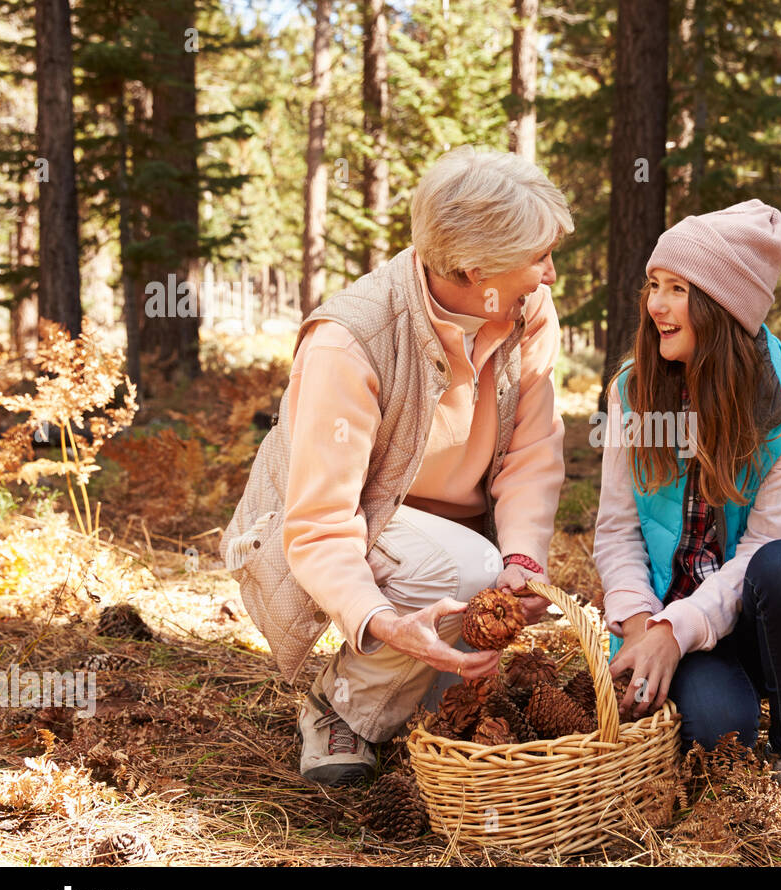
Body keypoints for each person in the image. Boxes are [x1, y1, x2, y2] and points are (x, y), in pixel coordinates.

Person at [221, 146, 572, 787]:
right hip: (345, 527)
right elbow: (322, 521)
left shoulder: (527, 313)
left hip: (466, 537)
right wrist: (383, 624)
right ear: (475, 268)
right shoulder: (349, 341)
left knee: (459, 673)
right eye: (538, 258)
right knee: (464, 570)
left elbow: (532, 451)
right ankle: (341, 707)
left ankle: (413, 684)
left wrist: (521, 559)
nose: (550, 274)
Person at [593, 200, 781, 828]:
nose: (656, 307)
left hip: (765, 619)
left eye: (677, 291)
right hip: (671, 620)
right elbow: (617, 528)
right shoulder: (631, 392)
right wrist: (642, 626)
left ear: (724, 309)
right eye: (654, 287)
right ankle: (735, 716)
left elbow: (762, 551)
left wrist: (676, 630)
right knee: (720, 731)